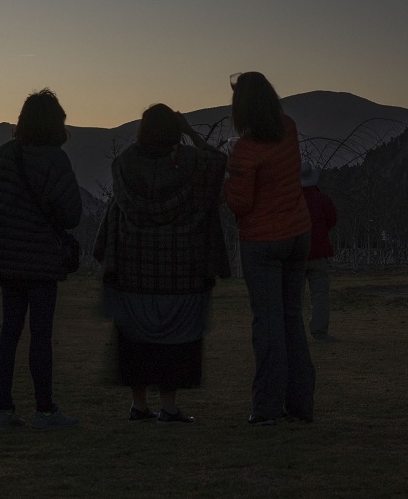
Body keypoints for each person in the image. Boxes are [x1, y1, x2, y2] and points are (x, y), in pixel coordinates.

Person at [92, 104, 228, 424]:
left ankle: (138, 405)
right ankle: (168, 406)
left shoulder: (123, 163)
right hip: (183, 270)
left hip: (133, 268)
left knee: (135, 340)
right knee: (177, 342)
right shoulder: (192, 162)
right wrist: (191, 131)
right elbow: (220, 162)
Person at [0, 89, 83, 430]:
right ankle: (45, 410)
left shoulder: (4, 155)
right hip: (39, 259)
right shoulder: (55, 160)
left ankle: (3, 411)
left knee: (9, 331)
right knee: (40, 335)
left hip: (7, 259)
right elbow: (71, 213)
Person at [225, 71, 315, 425]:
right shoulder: (289, 128)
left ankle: (266, 408)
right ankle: (301, 404)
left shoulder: (245, 151)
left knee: (267, 324)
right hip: (298, 233)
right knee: (292, 319)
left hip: (262, 242)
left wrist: (228, 178)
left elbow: (239, 204)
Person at [301, 163, 338, 341]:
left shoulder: (291, 199)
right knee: (320, 294)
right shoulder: (322, 199)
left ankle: (294, 332)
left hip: (296, 255)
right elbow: (332, 219)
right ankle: (319, 331)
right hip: (318, 253)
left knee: (294, 297)